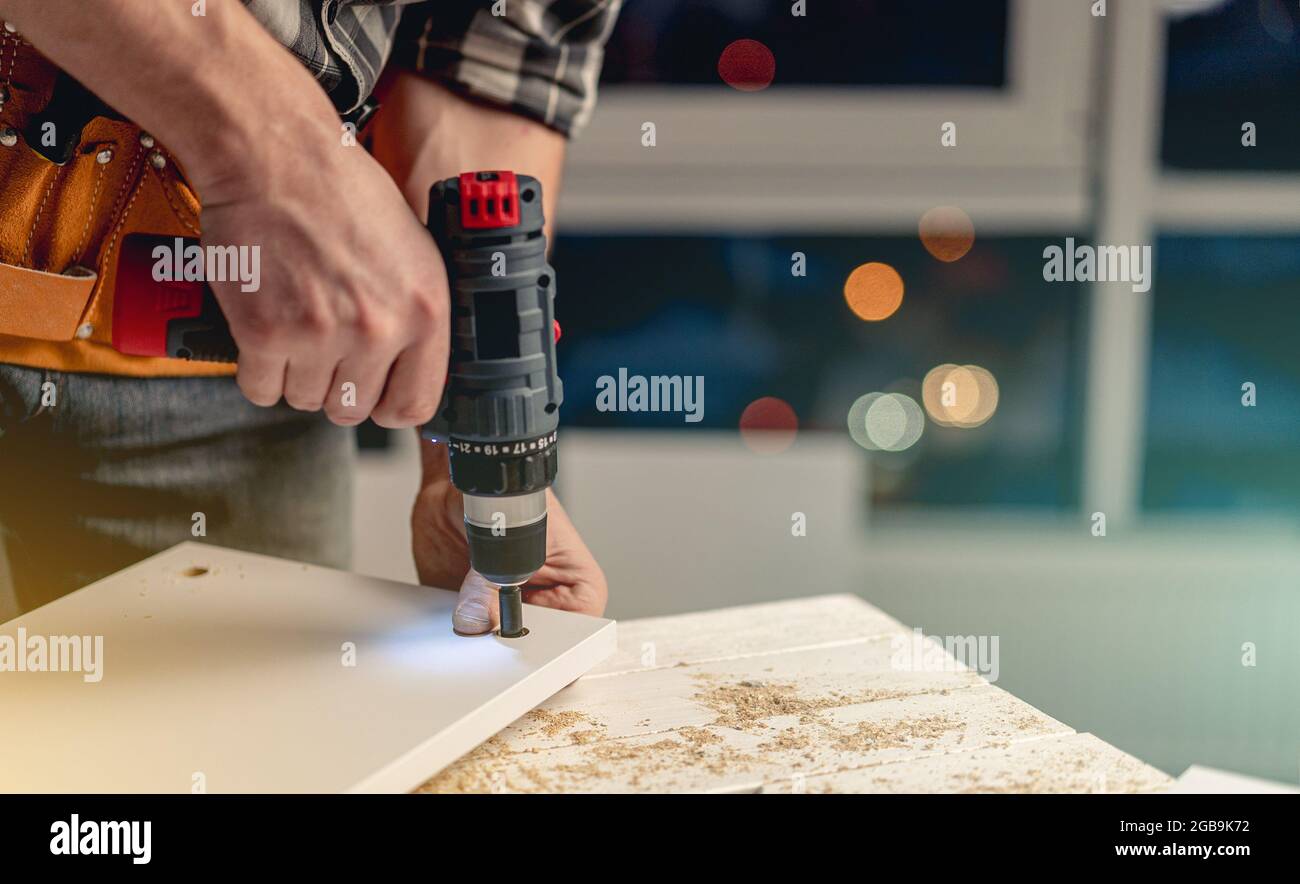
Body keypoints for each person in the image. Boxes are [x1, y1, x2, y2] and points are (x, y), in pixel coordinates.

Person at [0, 0, 617, 629]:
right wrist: (271, 154)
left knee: (240, 725)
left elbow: (490, 53)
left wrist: (471, 449)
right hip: (230, 284)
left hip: (226, 389)